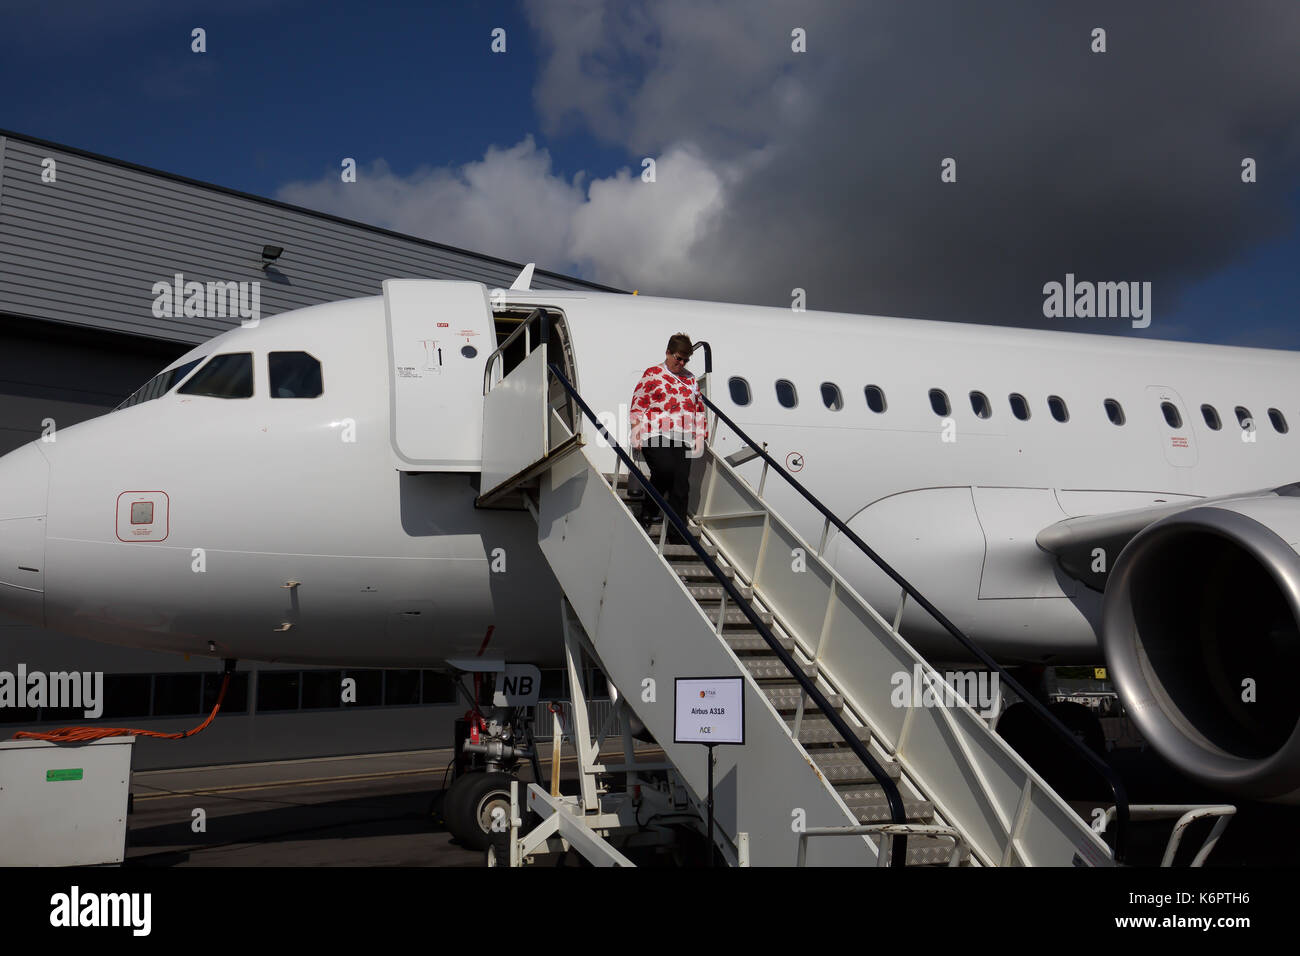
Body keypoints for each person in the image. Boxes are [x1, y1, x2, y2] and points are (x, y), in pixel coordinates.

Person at [629, 333, 708, 544]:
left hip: (682, 436)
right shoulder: (653, 374)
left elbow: (699, 408)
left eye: (685, 360)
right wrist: (636, 432)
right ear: (668, 353)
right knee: (665, 470)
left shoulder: (690, 379)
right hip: (654, 433)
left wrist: (700, 435)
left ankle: (677, 533)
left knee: (681, 485)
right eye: (678, 358)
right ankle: (649, 509)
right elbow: (638, 403)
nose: (681, 364)